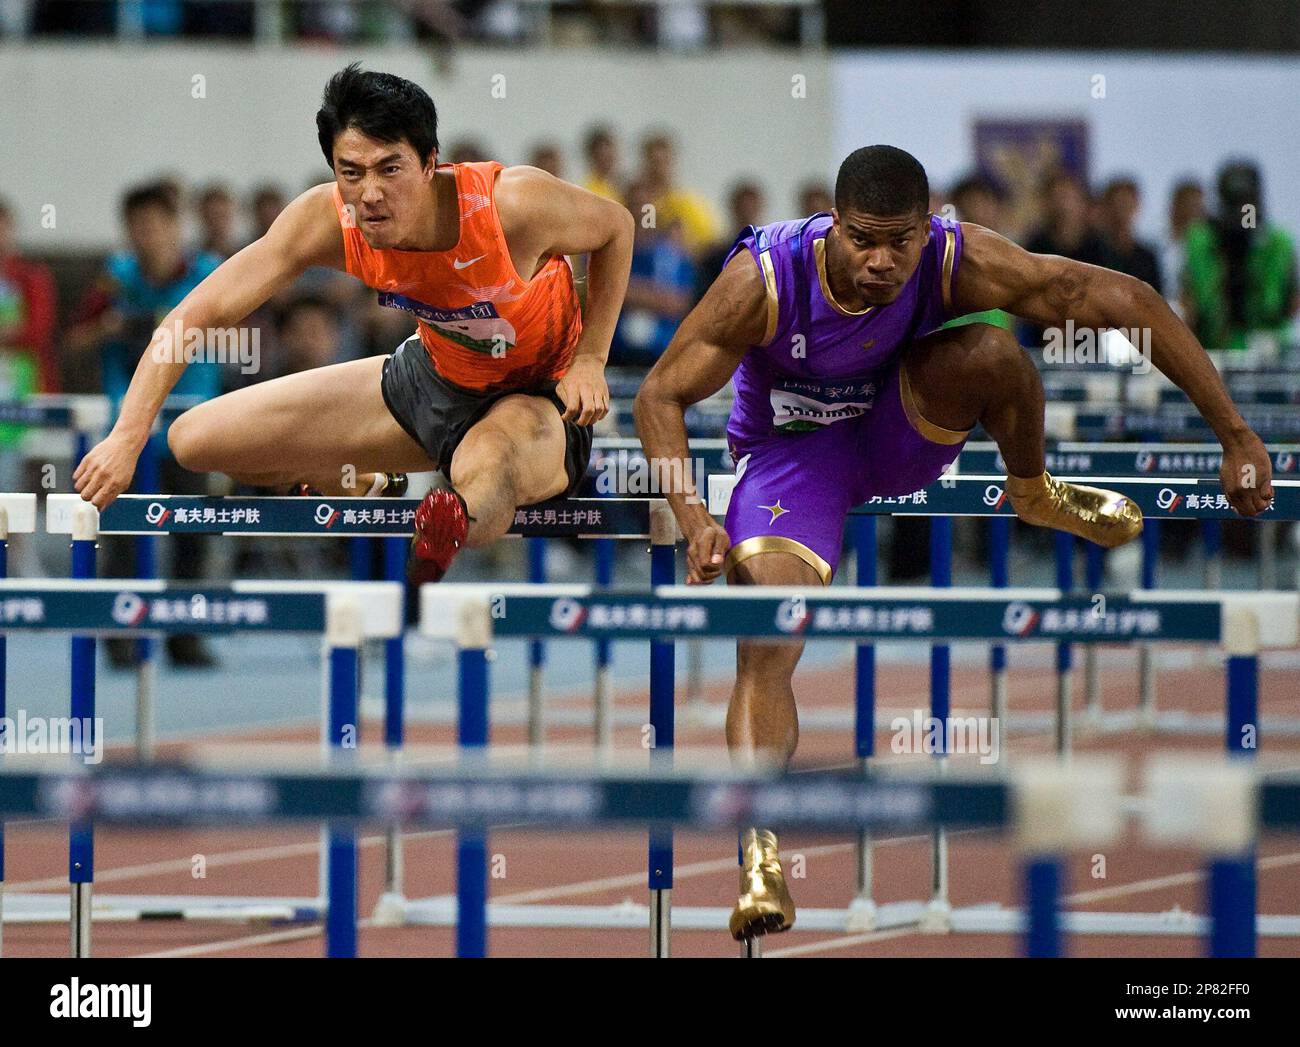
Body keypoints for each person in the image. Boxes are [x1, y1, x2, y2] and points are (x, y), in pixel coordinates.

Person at [633, 145, 1274, 942]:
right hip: (793, 457)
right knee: (768, 628)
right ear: (831, 225)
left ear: (926, 227)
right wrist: (695, 516)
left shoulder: (948, 257)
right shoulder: (762, 279)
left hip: (904, 428)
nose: (881, 261)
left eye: (899, 241)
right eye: (863, 240)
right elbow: (660, 394)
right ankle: (760, 850)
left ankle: (1032, 490)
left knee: (996, 352)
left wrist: (1235, 432)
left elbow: (1122, 298)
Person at [73, 64, 633, 591]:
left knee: (488, 466)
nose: (370, 193)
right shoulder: (329, 219)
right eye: (351, 173)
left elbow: (617, 228)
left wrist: (591, 359)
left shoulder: (512, 206)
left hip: (534, 396)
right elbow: (195, 316)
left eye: (390, 169)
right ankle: (363, 479)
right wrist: (126, 436)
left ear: (430, 161)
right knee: (193, 440)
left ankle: (446, 525)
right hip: (429, 377)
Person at [66, 181, 225, 668]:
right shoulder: (113, 281)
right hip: (126, 433)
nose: (147, 235)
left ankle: (184, 634)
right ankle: (121, 635)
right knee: (123, 535)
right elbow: (74, 342)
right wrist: (106, 330)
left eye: (156, 225)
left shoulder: (206, 274)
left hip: (191, 429)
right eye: (137, 226)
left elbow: (236, 336)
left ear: (175, 227)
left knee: (194, 536)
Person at [1182, 160, 1298, 354]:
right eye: (1233, 203)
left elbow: (1288, 302)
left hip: (1269, 349)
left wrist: (1254, 241)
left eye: (1246, 203)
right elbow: (1193, 299)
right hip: (1213, 348)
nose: (1240, 211)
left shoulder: (1277, 242)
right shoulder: (1201, 240)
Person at [610, 181, 697, 368]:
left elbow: (679, 302)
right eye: (633, 205)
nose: (640, 212)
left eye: (645, 206)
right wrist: (654, 296)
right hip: (616, 355)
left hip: (661, 357)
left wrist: (630, 291)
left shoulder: (672, 253)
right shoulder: (608, 248)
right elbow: (601, 291)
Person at [639, 131, 719, 256]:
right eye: (654, 162)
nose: (658, 169)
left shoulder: (689, 203)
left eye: (663, 162)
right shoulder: (639, 202)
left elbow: (707, 243)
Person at [1099, 176, 1163, 295]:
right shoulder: (1091, 251)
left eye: (1126, 205)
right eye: (1116, 205)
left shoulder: (1148, 258)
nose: (1120, 212)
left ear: (1136, 207)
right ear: (1105, 207)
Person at [581, 125, 623, 204]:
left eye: (610, 154)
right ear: (592, 157)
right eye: (603, 156)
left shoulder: (621, 184)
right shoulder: (587, 189)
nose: (608, 160)